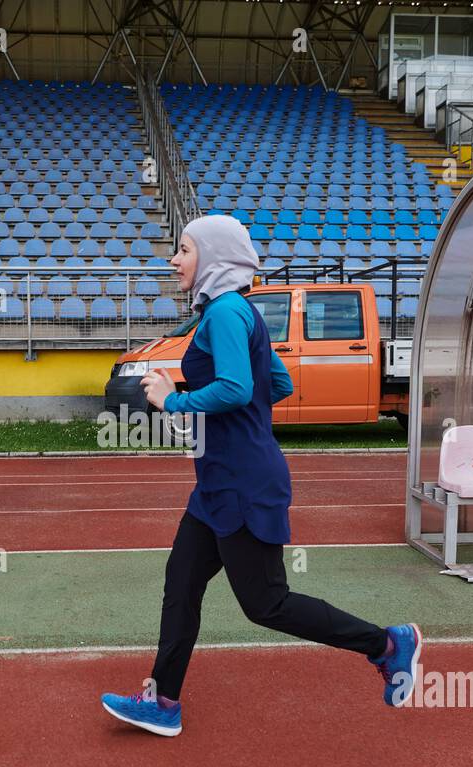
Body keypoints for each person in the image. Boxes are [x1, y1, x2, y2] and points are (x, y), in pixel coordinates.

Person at [100, 214, 421, 737]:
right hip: (217, 483)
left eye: (183, 249)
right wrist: (234, 410)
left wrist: (172, 399)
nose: (174, 259)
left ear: (213, 256)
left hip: (243, 482)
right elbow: (278, 382)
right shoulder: (235, 311)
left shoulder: (226, 313)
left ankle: (386, 644)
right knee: (181, 584)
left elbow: (232, 388)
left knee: (266, 604)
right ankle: (162, 702)